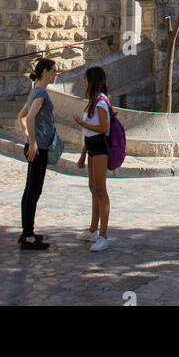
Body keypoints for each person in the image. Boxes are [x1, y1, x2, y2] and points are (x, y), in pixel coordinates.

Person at [17, 57, 57, 250]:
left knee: (30, 189)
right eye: (53, 71)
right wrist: (33, 142)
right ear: (44, 72)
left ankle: (27, 231)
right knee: (34, 190)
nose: (55, 74)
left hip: (34, 146)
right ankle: (28, 236)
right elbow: (30, 116)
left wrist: (26, 136)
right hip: (38, 148)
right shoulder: (41, 93)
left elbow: (20, 116)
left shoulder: (34, 91)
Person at [75, 66, 112, 252]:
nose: (84, 83)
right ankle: (92, 229)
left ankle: (103, 234)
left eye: (86, 79)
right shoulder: (92, 102)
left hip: (99, 149)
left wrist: (83, 123)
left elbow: (104, 128)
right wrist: (82, 156)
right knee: (93, 188)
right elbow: (88, 132)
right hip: (91, 148)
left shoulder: (101, 103)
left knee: (100, 190)